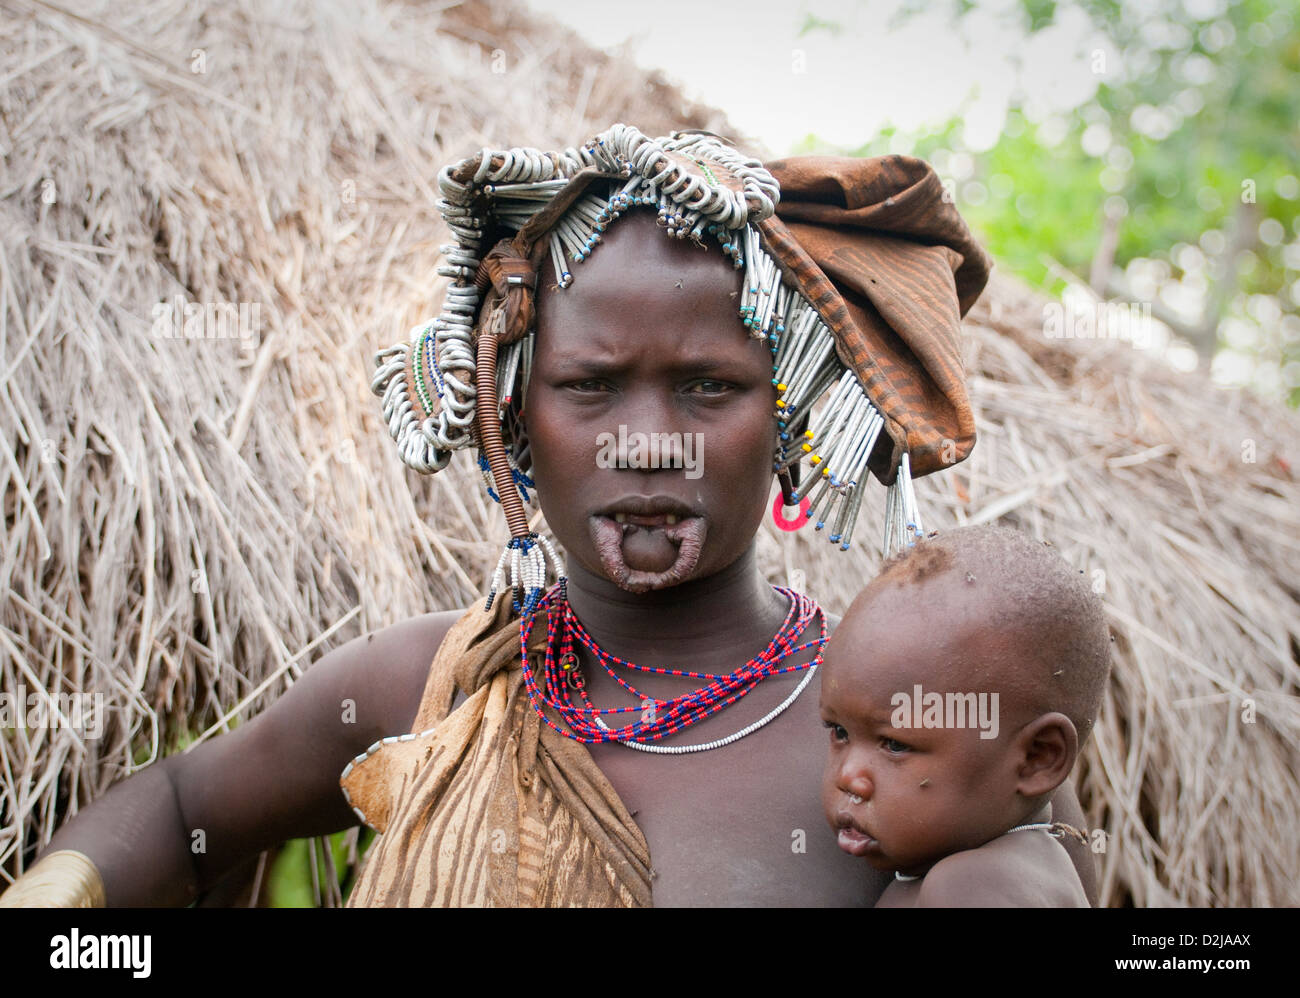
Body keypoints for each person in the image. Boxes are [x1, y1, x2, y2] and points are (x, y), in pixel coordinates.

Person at [1, 125, 1095, 907]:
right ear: (512, 412)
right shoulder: (428, 682)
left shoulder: (900, 745)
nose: (648, 439)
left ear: (791, 416)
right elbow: (185, 803)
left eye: (710, 385)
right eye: (590, 385)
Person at [821, 524, 1109, 907]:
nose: (848, 777)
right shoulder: (988, 875)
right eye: (839, 732)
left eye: (894, 744)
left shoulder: (972, 887)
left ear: (1037, 758)